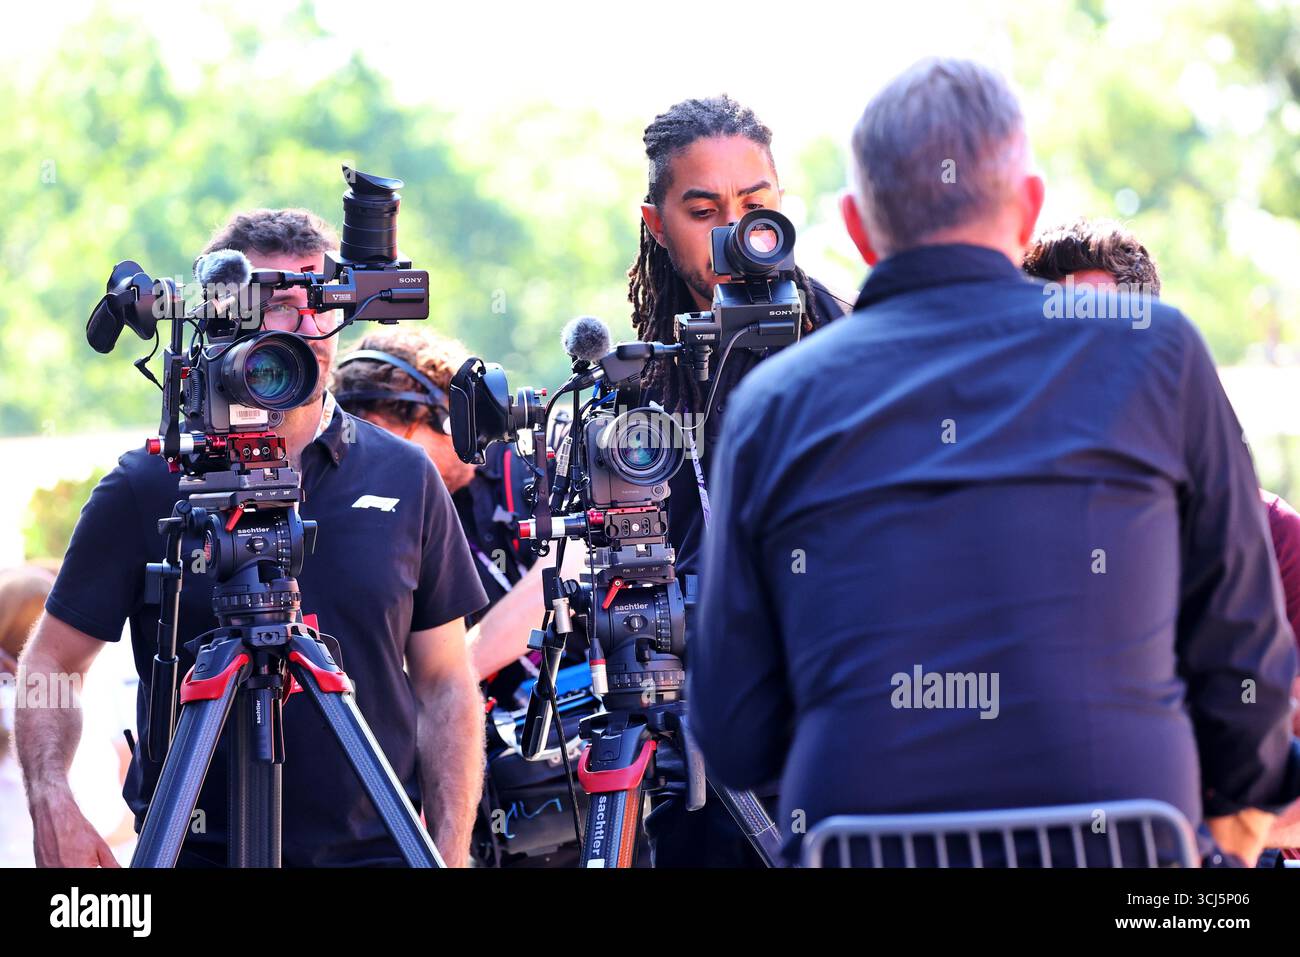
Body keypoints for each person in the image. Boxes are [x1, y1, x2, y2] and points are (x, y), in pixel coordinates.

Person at [692, 57, 1300, 866]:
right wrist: (1234, 810)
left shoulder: (773, 405)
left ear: (858, 227)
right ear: (1029, 210)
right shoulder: (1156, 355)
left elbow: (733, 734)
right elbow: (1246, 673)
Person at [16, 208, 489, 867]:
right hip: (195, 850)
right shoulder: (146, 483)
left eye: (322, 300)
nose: (305, 326)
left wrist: (451, 848)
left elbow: (445, 681)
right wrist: (51, 800)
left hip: (377, 853)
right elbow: (51, 665)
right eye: (276, 304)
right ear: (219, 318)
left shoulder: (406, 475)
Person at [626, 94, 850, 866]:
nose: (734, 229)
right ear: (657, 224)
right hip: (698, 751)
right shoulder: (636, 379)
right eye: (703, 208)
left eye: (754, 204)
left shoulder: (859, 350)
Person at [333, 326, 587, 866]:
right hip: (486, 793)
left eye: (389, 440)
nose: (376, 463)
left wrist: (443, 675)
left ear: (449, 418)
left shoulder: (544, 455)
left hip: (594, 763)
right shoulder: (376, 501)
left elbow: (570, 565)